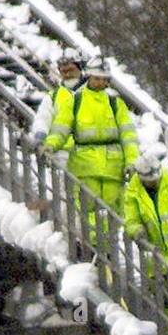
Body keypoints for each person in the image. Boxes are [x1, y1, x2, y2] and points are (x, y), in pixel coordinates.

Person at [43, 55, 138, 233]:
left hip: (112, 167)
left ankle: (110, 250)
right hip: (84, 166)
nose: (100, 83)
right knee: (88, 209)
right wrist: (51, 144)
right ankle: (94, 248)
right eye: (96, 78)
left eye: (103, 79)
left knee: (114, 211)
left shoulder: (115, 104)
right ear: (89, 77)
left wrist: (131, 161)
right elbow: (61, 127)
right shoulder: (75, 101)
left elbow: (129, 136)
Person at [29, 48, 84, 151]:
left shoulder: (96, 93)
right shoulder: (53, 96)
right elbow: (43, 117)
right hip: (62, 154)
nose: (67, 75)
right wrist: (40, 133)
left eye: (71, 70)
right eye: (63, 71)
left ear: (80, 68)